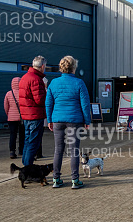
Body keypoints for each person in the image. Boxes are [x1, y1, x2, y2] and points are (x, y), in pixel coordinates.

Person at [46, 56, 91, 189]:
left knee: (58, 150)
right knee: (74, 151)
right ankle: (75, 180)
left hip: (58, 120)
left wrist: (49, 120)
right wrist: (87, 120)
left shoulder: (53, 83)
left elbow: (48, 103)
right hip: (74, 120)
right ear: (73, 68)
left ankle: (56, 179)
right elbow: (85, 104)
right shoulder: (79, 83)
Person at [19, 55, 47, 166]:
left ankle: (25, 165)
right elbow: (39, 100)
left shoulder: (25, 77)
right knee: (34, 142)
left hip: (26, 115)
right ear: (43, 66)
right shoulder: (36, 79)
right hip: (35, 115)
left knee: (27, 140)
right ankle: (28, 168)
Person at [4, 77, 25, 159]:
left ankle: (12, 151)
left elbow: (6, 106)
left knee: (13, 134)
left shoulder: (8, 93)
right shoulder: (23, 93)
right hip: (22, 117)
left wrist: (8, 114)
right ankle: (21, 150)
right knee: (22, 134)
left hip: (11, 118)